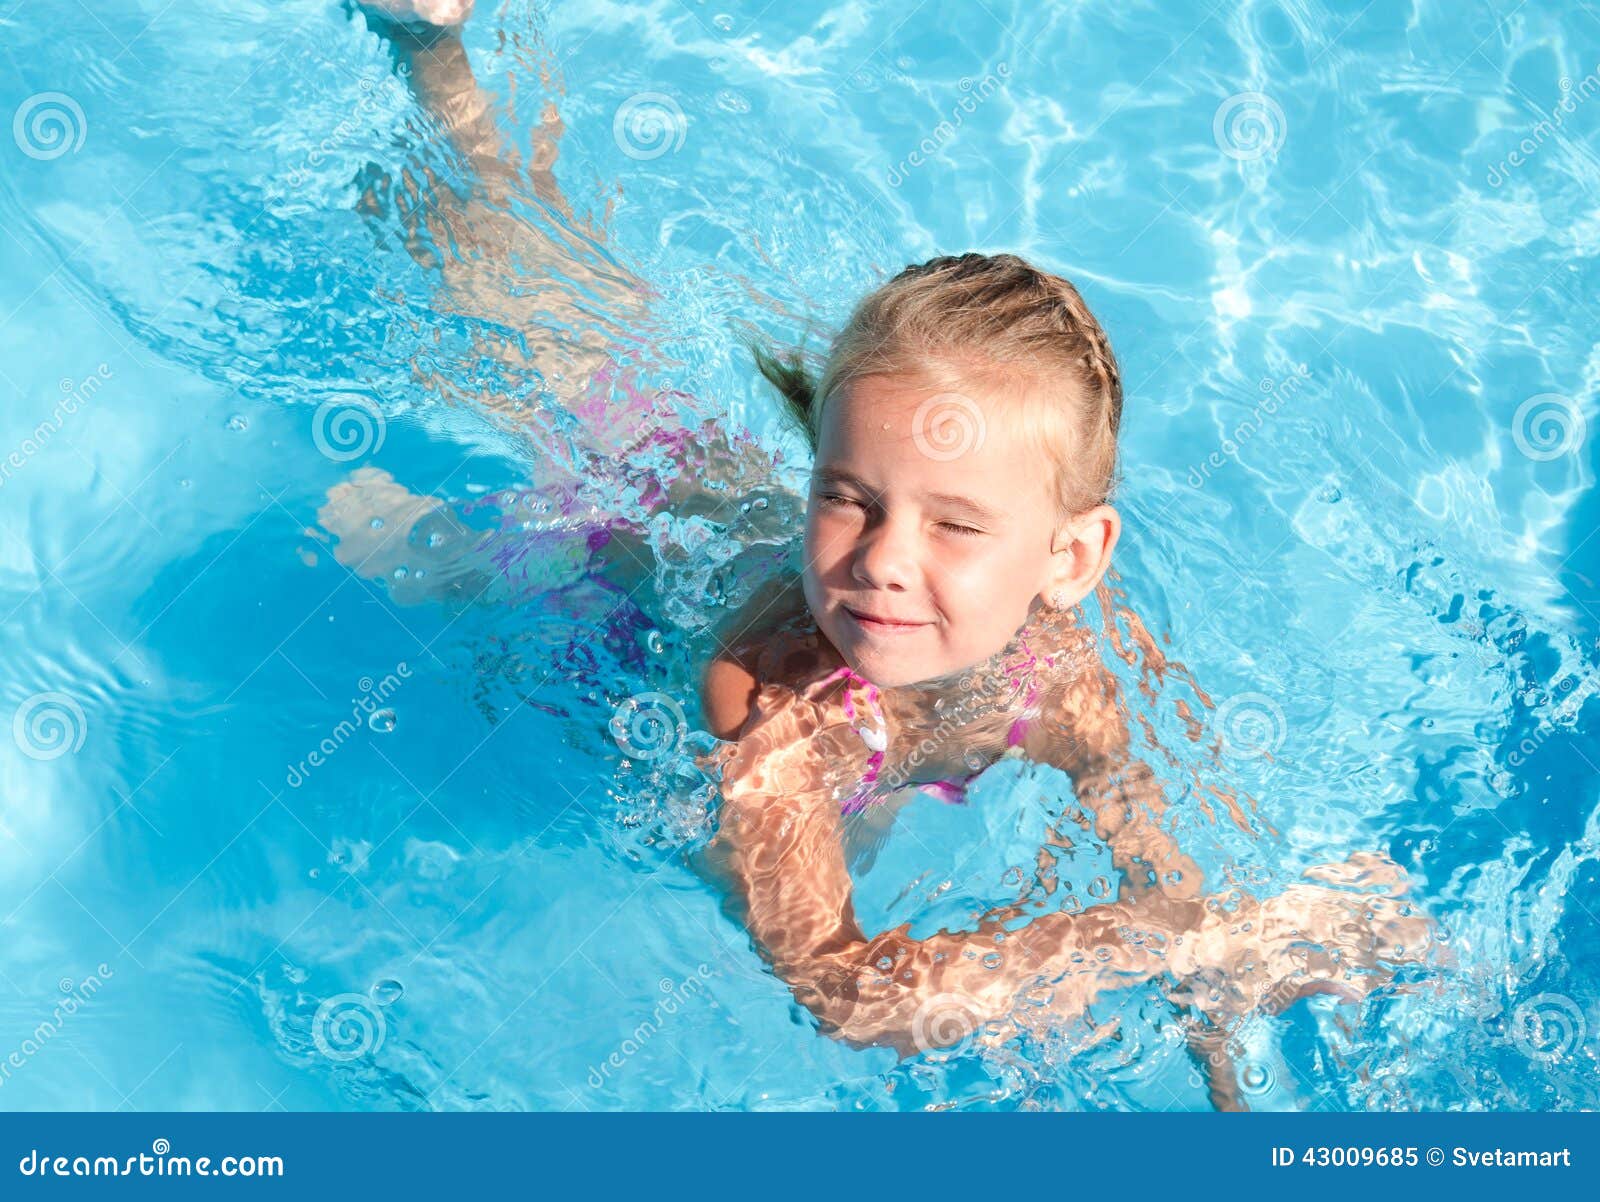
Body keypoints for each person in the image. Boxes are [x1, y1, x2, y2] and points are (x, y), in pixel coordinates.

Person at [340, 2, 1436, 1104]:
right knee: (503, 310)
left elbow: (1158, 853)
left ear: (1069, 558)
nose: (882, 561)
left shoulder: (1066, 672)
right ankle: (430, 52)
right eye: (846, 498)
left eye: (955, 523)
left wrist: (1220, 1009)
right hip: (616, 553)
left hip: (721, 522)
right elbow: (842, 992)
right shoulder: (766, 700)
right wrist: (1147, 943)